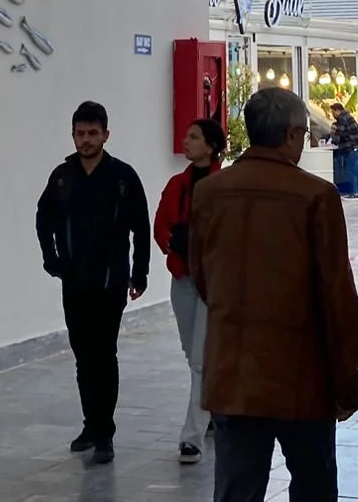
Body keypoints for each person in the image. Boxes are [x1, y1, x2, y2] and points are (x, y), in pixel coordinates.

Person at [192, 87, 358, 502]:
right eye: (304, 134)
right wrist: (346, 382)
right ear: (290, 135)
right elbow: (336, 295)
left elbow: (201, 276)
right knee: (313, 485)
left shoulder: (210, 193)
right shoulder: (315, 196)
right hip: (301, 376)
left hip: (232, 373)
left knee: (237, 489)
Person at [36, 100, 150, 465]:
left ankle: (105, 432)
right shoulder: (62, 177)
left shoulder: (122, 177)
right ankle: (90, 424)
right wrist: (51, 259)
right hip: (75, 281)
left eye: (92, 133)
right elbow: (44, 219)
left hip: (111, 280)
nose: (86, 140)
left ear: (106, 134)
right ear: (72, 135)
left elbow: (141, 228)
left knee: (105, 354)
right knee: (84, 357)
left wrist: (140, 272)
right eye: (80, 134)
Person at [153, 116, 225, 465]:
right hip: (182, 277)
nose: (186, 141)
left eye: (194, 137)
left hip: (211, 281)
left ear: (210, 146)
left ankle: (191, 436)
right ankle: (209, 406)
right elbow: (161, 224)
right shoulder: (176, 184)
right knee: (190, 350)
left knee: (200, 358)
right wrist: (173, 245)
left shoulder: (223, 184)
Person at [329, 102, 358, 197]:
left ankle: (353, 193)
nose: (332, 115)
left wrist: (332, 141)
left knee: (351, 171)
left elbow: (339, 133)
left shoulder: (342, 118)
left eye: (333, 112)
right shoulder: (348, 116)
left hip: (355, 149)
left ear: (337, 110)